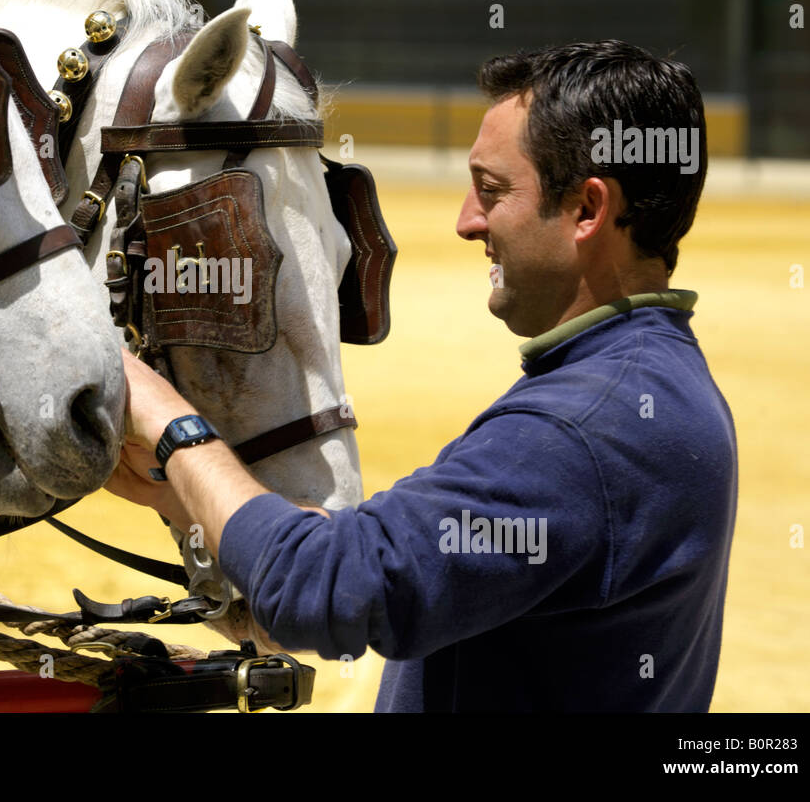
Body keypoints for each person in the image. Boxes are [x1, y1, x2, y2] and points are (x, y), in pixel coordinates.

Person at [106, 40, 738, 712]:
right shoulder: (652, 382)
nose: (467, 221)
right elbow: (374, 554)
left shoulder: (581, 429)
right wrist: (185, 497)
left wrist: (170, 425)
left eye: (492, 191)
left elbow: (326, 586)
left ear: (588, 209)